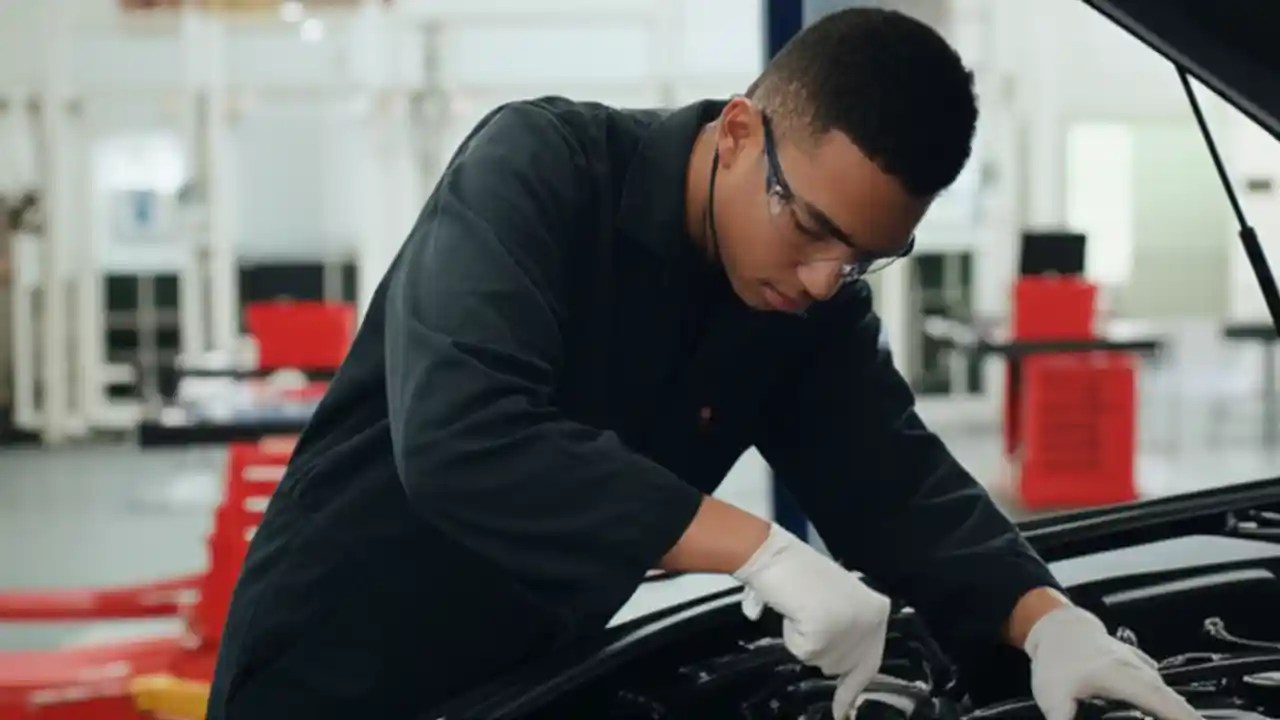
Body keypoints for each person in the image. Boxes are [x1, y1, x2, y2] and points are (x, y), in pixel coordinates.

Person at [206, 8, 1200, 720]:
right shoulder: (537, 170)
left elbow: (896, 484)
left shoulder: (802, 305)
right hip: (337, 666)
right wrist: (759, 551)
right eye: (809, 226)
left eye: (861, 256)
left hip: (532, 673)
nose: (823, 279)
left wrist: (1049, 624)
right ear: (736, 132)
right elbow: (466, 434)